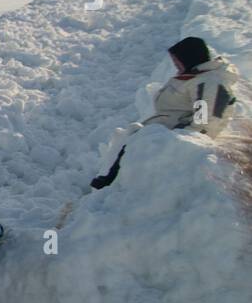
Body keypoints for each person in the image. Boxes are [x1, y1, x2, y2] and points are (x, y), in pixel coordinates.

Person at [92, 36, 241, 189]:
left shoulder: (208, 83)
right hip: (166, 128)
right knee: (132, 144)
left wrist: (179, 141)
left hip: (177, 136)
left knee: (136, 146)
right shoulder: (195, 76)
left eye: (177, 61)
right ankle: (113, 181)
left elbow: (205, 121)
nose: (175, 65)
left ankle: (115, 184)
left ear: (190, 58)